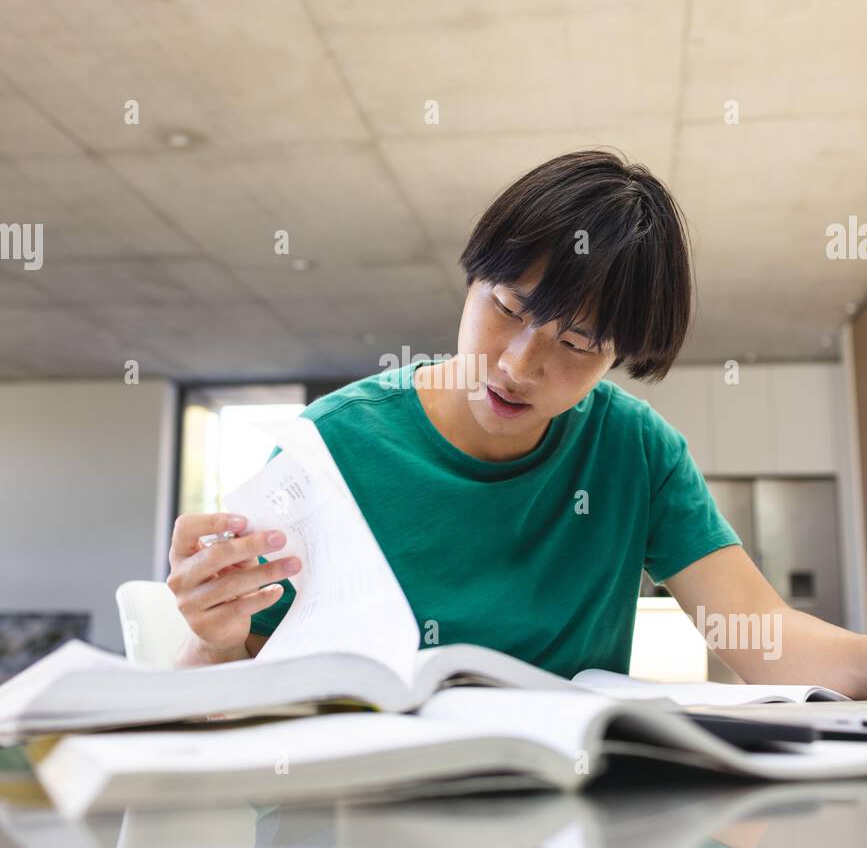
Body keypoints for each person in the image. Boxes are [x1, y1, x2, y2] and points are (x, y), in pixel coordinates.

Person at [168, 148, 867, 693]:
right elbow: (239, 676)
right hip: (360, 832)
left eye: (576, 344)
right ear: (472, 277)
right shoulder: (333, 446)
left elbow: (763, 635)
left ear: (615, 357)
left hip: (562, 830)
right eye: (507, 307)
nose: (519, 365)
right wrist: (214, 637)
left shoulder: (634, 452)